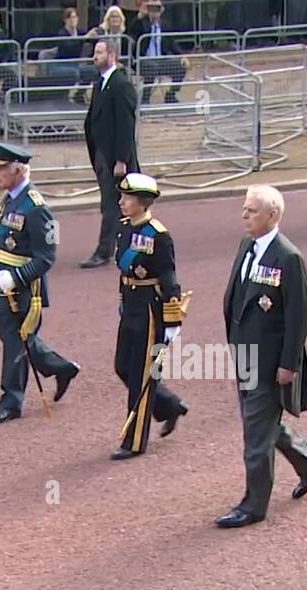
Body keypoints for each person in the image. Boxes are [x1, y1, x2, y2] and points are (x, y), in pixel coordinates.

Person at [217, 185, 307, 529]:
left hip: (269, 360)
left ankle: (254, 504)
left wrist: (288, 364)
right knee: (260, 424)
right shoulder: (247, 246)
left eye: (251, 210)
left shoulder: (288, 257)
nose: (244, 215)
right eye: (244, 209)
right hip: (245, 353)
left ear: (272, 216)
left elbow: (298, 315)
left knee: (255, 435)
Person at [0, 142, 81, 424]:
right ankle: (62, 368)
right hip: (3, 279)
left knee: (16, 341)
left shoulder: (37, 208)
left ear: (18, 170)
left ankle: (11, 401)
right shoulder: (11, 198)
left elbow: (47, 257)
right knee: (16, 339)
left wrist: (16, 277)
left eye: (1, 169)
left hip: (24, 287)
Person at [111, 172, 190, 459]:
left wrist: (172, 320)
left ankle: (133, 441)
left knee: (142, 375)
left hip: (150, 309)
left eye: (127, 198)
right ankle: (169, 405)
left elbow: (169, 278)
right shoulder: (123, 229)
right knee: (122, 366)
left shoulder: (158, 235)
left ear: (143, 203)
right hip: (131, 304)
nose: (121, 202)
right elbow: (124, 271)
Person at [81, 37, 140, 269]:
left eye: (99, 52)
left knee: (113, 205)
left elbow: (126, 125)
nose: (95, 57)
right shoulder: (101, 83)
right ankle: (128, 244)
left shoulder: (120, 84)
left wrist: (121, 160)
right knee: (122, 204)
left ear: (112, 55)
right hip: (102, 154)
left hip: (115, 158)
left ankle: (104, 251)